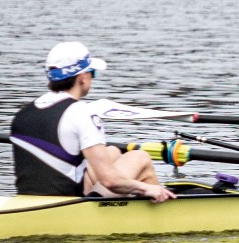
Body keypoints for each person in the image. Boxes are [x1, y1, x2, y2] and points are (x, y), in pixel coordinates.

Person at [10, 42, 174, 201]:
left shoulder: (23, 113)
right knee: (141, 158)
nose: (92, 78)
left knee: (113, 152)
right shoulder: (81, 112)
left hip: (28, 198)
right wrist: (146, 188)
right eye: (92, 73)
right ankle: (160, 209)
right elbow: (111, 181)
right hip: (69, 204)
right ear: (82, 77)